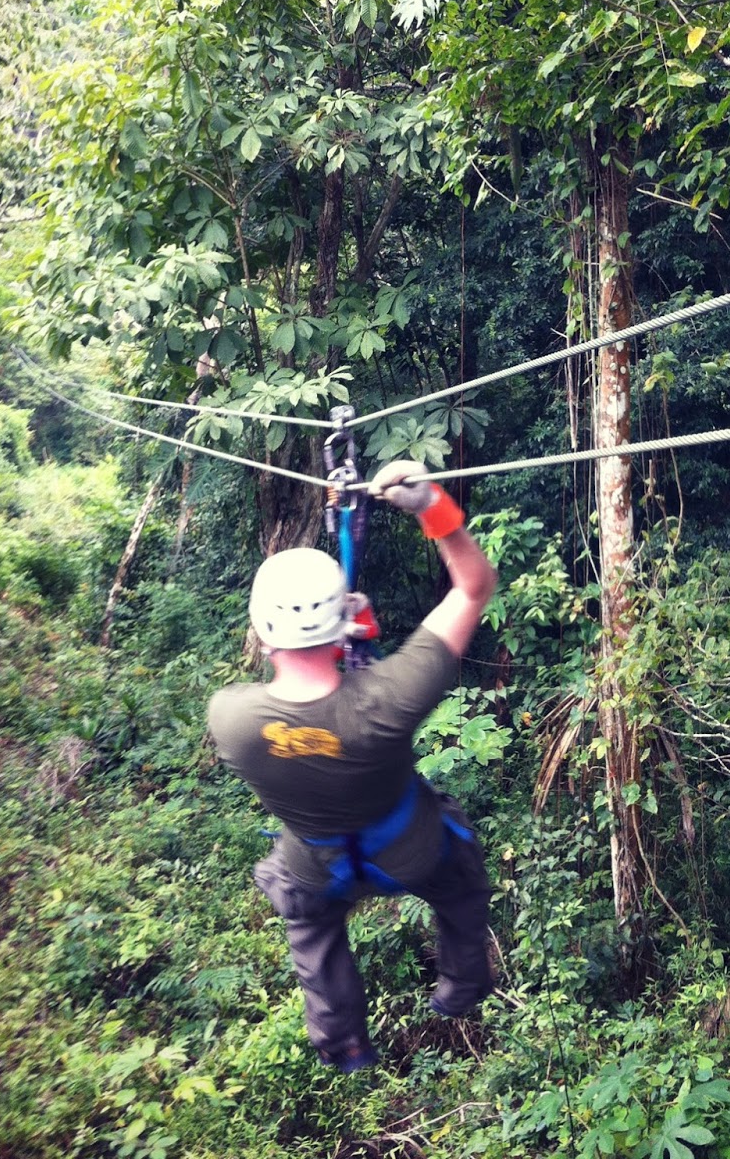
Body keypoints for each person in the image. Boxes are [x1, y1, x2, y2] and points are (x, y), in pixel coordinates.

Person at [207, 460, 499, 1073]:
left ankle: (342, 1041)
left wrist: (348, 637)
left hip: (316, 868)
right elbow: (473, 588)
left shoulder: (231, 718)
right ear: (340, 624)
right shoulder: (390, 698)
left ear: (261, 634)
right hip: (411, 854)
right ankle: (461, 987)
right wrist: (431, 507)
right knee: (463, 879)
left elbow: (308, 722)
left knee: (308, 926)